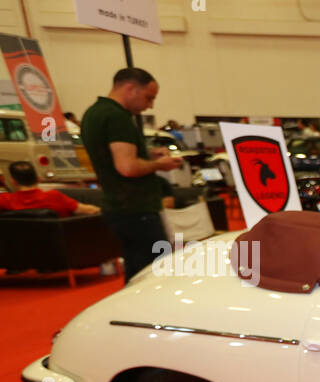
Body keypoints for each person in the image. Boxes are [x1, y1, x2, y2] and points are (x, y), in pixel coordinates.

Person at [80, 68, 183, 278]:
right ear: (130, 88)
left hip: (119, 206)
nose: (149, 105)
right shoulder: (117, 117)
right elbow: (127, 167)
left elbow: (114, 157)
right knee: (155, 273)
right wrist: (160, 165)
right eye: (149, 97)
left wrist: (148, 155)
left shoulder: (94, 113)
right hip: (136, 209)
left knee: (137, 272)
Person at [0, 161, 100, 216]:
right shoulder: (54, 197)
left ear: (14, 181)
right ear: (38, 179)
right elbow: (90, 211)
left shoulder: (4, 200)